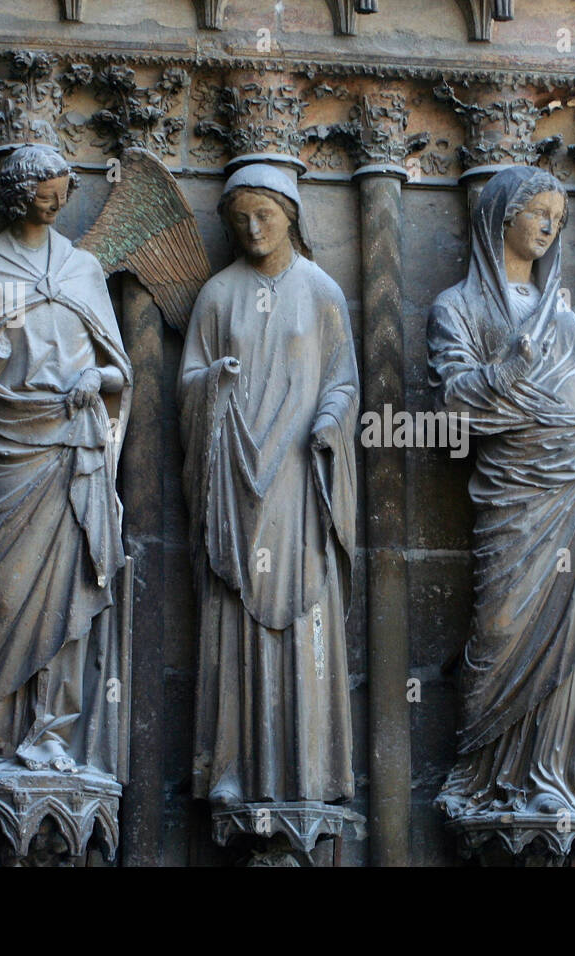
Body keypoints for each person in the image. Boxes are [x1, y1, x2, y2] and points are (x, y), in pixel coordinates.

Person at [427, 165, 575, 835]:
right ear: (502, 218)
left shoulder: (564, 313)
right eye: (539, 212)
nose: (550, 226)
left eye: (558, 216)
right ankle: (480, 773)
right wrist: (505, 373)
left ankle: (553, 774)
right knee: (499, 629)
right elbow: (449, 406)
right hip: (518, 495)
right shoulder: (457, 308)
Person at [178, 165, 359, 816]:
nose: (254, 230)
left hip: (298, 479)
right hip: (234, 482)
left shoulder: (321, 291)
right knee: (234, 615)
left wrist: (330, 423)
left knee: (306, 607)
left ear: (292, 216)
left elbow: (343, 380)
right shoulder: (217, 295)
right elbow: (188, 380)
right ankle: (234, 770)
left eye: (267, 217)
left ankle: (309, 767)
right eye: (240, 220)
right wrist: (211, 385)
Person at [0, 144, 131, 777]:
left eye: (63, 192)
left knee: (70, 583)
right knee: (2, 593)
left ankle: (52, 730)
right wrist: (3, 338)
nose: (57, 203)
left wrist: (96, 379)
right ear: (17, 193)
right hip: (11, 448)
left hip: (75, 445)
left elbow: (119, 368)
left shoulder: (83, 267)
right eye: (45, 193)